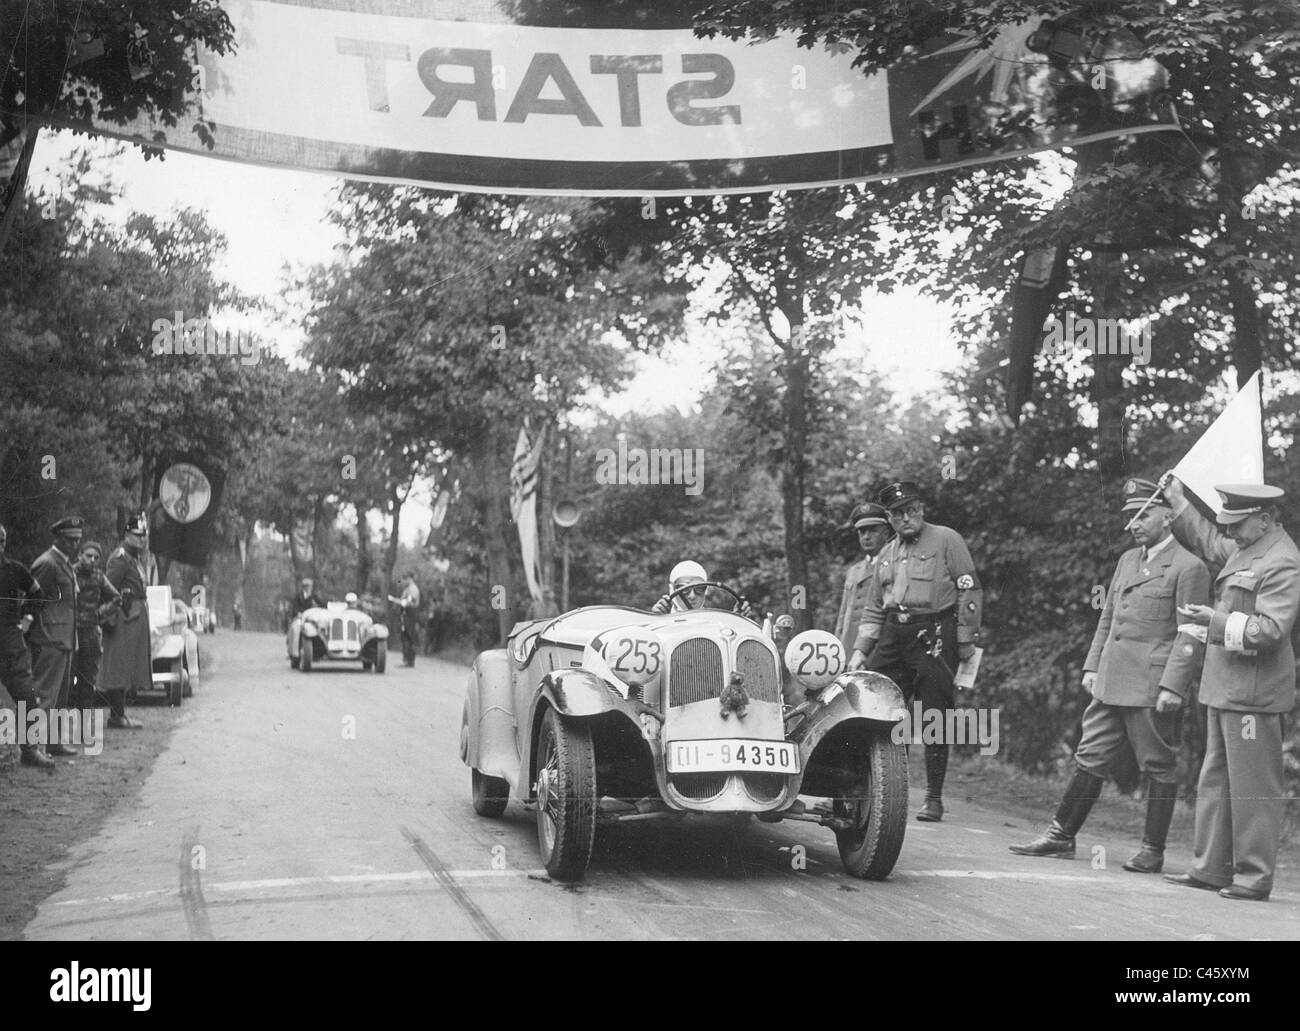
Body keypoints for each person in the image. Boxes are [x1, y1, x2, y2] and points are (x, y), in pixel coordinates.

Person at [1009, 478, 1209, 871]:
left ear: (1168, 516)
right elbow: (1108, 617)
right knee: (1090, 755)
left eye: (1143, 514)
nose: (1134, 523)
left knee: (1158, 765)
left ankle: (1152, 850)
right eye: (1130, 516)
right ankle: (1060, 836)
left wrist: (1173, 684)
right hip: (1111, 680)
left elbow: (1192, 634)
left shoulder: (1190, 567)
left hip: (1152, 686)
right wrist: (1092, 665)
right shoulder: (1127, 561)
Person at [1161, 477, 1300, 902]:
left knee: (1252, 785)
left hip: (1253, 695)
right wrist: (1179, 502)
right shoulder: (1249, 547)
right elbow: (1206, 538)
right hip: (1227, 688)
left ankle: (1254, 877)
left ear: (1262, 520)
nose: (1229, 532)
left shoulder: (1282, 560)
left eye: (1236, 524)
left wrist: (1214, 621)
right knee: (1217, 779)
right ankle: (1210, 868)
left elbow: (1272, 630)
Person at [849, 481, 982, 822]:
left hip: (935, 633)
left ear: (922, 509)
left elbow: (970, 589)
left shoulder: (947, 539)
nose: (906, 518)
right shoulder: (887, 553)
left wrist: (966, 640)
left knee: (934, 715)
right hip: (895, 635)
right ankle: (889, 791)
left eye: (911, 510)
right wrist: (862, 649)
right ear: (889, 519)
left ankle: (934, 798)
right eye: (897, 514)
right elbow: (874, 607)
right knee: (882, 708)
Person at [27, 516, 83, 757]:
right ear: (58, 538)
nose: (76, 545)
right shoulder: (47, 563)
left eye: (78, 540)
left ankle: (53, 742)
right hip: (49, 638)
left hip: (65, 638)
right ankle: (32, 747)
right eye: (71, 540)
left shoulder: (65, 563)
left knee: (61, 696)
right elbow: (32, 602)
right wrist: (38, 632)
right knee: (45, 694)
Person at [0, 523, 54, 769]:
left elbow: (37, 594)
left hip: (10, 638)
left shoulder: (14, 570)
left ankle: (29, 750)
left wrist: (26, 619)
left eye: (1, 541)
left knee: (25, 693)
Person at [100, 513, 151, 730]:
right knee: (118, 667)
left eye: (143, 536)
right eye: (137, 535)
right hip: (123, 617)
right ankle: (116, 715)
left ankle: (119, 714)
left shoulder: (134, 558)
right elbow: (107, 588)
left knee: (126, 666)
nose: (141, 540)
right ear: (127, 535)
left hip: (134, 617)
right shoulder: (120, 558)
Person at [834, 502, 892, 654]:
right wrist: (837, 645)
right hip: (847, 646)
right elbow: (843, 614)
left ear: (885, 533)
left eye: (872, 531)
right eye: (862, 532)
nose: (866, 537)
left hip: (876, 648)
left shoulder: (893, 564)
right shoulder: (854, 570)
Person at [72, 540, 121, 713]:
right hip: (71, 631)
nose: (92, 560)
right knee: (68, 676)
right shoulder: (70, 572)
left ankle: (84, 719)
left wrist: (99, 613)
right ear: (80, 556)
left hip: (91, 631)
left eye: (96, 557)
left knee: (88, 677)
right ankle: (63, 722)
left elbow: (116, 598)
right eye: (88, 556)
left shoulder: (99, 576)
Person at [650, 560, 757, 619]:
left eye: (700, 589)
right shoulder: (658, 622)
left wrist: (737, 620)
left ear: (706, 590)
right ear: (672, 590)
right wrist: (655, 620)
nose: (692, 596)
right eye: (684, 589)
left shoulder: (715, 622)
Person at [388, 573, 421, 667]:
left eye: (404, 579)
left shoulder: (412, 589)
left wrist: (396, 601)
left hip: (410, 614)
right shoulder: (408, 588)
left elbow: (409, 602)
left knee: (409, 636)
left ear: (409, 579)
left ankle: (409, 660)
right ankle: (406, 659)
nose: (403, 582)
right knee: (405, 636)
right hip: (406, 614)